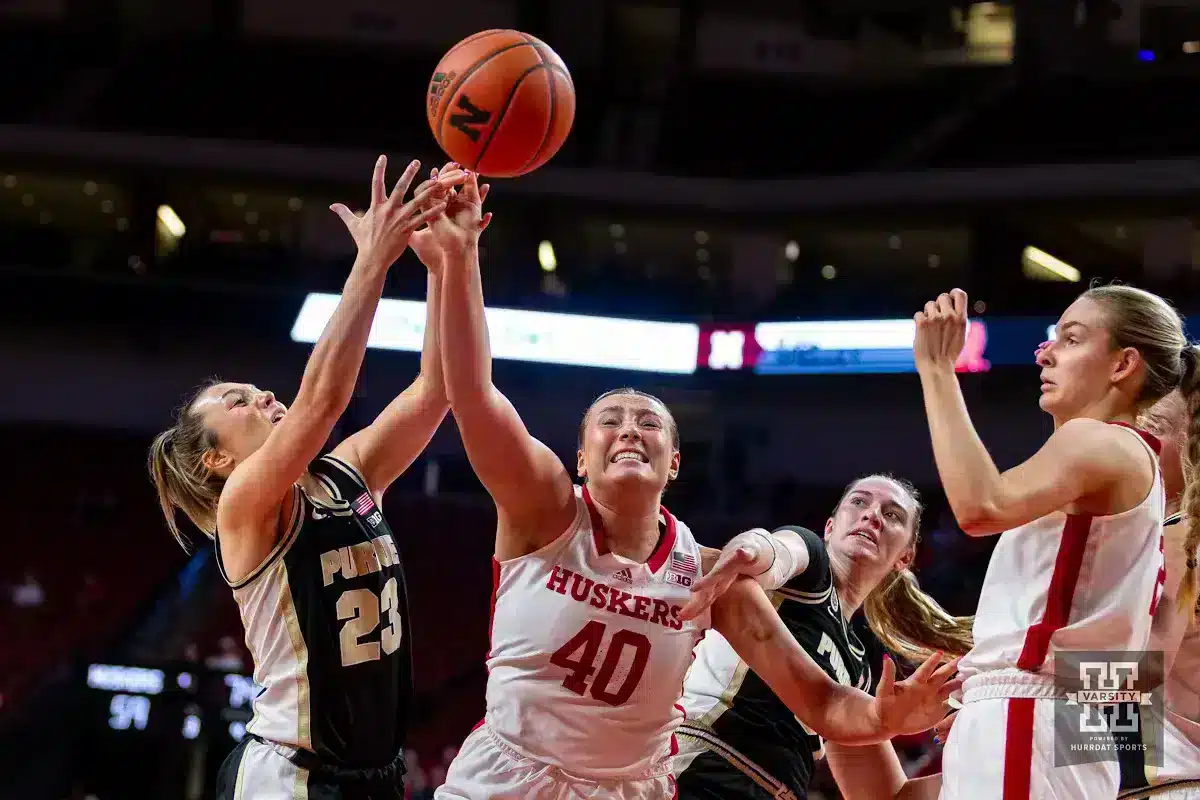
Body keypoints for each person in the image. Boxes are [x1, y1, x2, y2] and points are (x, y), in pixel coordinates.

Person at [422, 173, 960, 800]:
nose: (630, 429)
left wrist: (888, 718)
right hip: (510, 777)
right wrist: (461, 256)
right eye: (610, 421)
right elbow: (472, 394)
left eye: (649, 423)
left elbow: (820, 702)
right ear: (581, 459)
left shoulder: (708, 578)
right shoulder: (543, 509)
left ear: (674, 462)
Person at [147, 156, 466, 800]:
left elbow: (437, 388)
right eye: (239, 401)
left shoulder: (348, 475)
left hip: (375, 774)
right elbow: (322, 400)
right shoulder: (244, 508)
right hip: (292, 775)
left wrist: (448, 265)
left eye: (254, 388)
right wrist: (373, 259)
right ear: (217, 460)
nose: (264, 394)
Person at [914, 286, 1184, 800]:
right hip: (1068, 716)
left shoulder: (1100, 442)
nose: (1045, 352)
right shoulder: (1132, 470)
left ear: (1123, 364)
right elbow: (1132, 673)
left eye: (1071, 339)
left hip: (1035, 713)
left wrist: (937, 369)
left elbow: (979, 508)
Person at [673, 474, 974, 800]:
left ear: (905, 557)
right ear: (829, 527)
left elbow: (890, 796)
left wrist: (991, 757)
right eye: (859, 501)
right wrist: (751, 549)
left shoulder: (859, 669)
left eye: (892, 514)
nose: (872, 514)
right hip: (706, 765)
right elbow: (775, 551)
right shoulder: (809, 565)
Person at [1116, 389, 1200, 798]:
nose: (1133, 438)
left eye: (1151, 426)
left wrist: (1012, 699)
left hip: (1175, 783)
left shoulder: (1180, 537)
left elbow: (1136, 678)